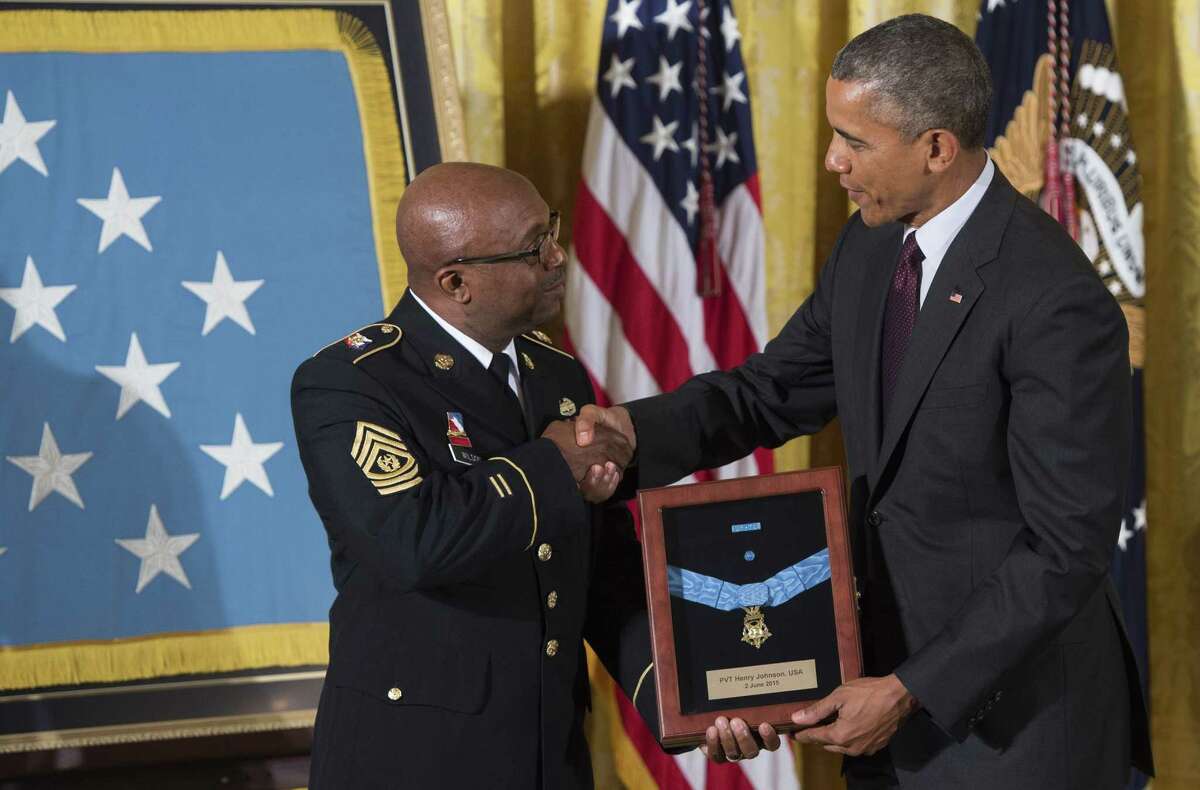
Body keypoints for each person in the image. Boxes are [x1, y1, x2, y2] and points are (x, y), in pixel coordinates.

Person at [575, 14, 1153, 790]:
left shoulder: (1053, 300)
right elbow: (772, 392)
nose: (830, 160)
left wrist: (912, 690)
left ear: (937, 147)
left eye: (855, 140)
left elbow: (1064, 550)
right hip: (878, 705)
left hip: (1012, 728)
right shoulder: (874, 242)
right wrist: (627, 435)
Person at [291, 162, 658, 789]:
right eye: (533, 246)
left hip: (548, 749)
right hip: (417, 758)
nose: (558, 256)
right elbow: (414, 540)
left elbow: (597, 563)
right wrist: (552, 465)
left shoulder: (555, 373)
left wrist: (680, 693)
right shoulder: (352, 382)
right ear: (455, 282)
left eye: (552, 230)